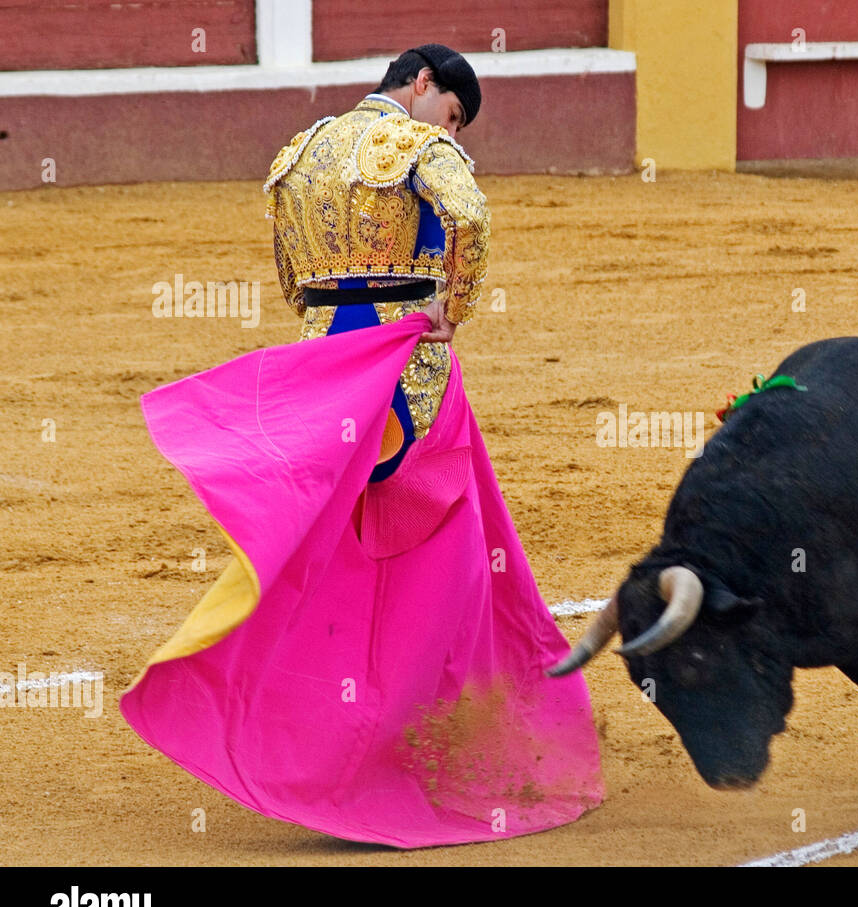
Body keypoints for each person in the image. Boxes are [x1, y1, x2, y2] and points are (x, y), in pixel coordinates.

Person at [120, 45, 604, 848]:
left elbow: (287, 270)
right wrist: (455, 308)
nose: (448, 128)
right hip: (404, 366)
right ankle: (422, 747)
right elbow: (471, 220)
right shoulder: (418, 148)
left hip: (320, 368)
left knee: (328, 544)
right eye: (450, 112)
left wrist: (327, 327)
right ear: (422, 83)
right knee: (438, 550)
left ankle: (310, 731)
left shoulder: (300, 151)